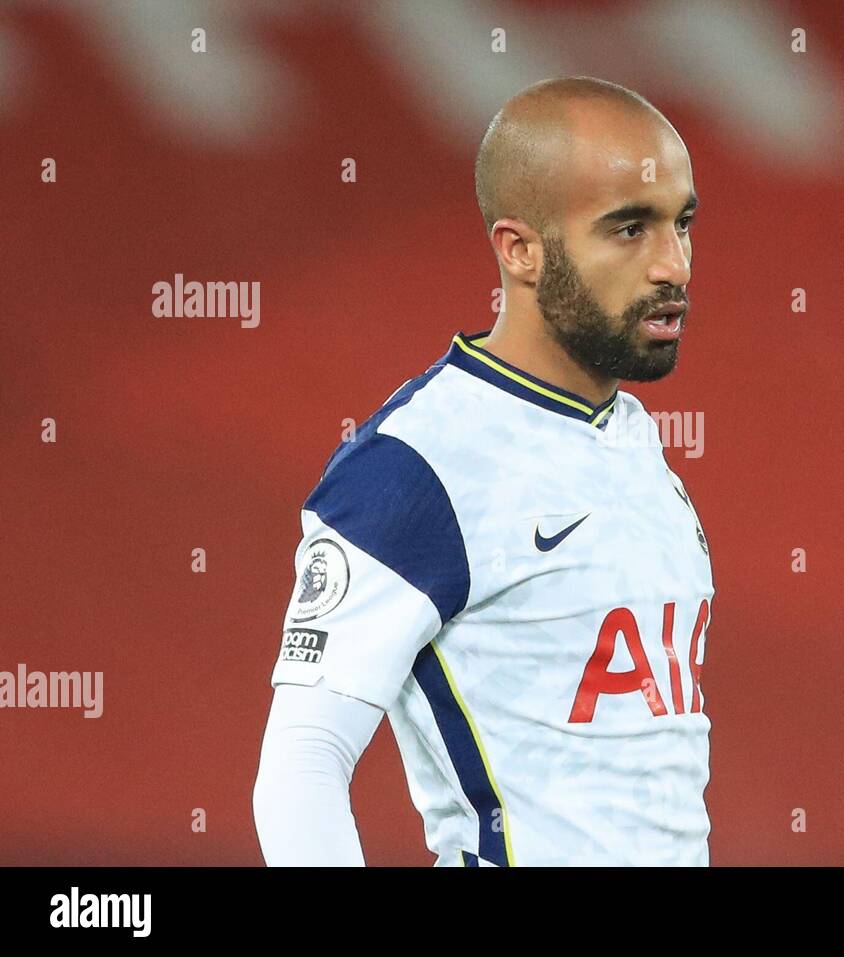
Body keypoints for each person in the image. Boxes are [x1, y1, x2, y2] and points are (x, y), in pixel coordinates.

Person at [252, 75, 713, 866]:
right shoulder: (415, 466)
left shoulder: (631, 439)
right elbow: (301, 765)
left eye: (683, 223)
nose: (673, 264)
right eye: (629, 229)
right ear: (520, 249)